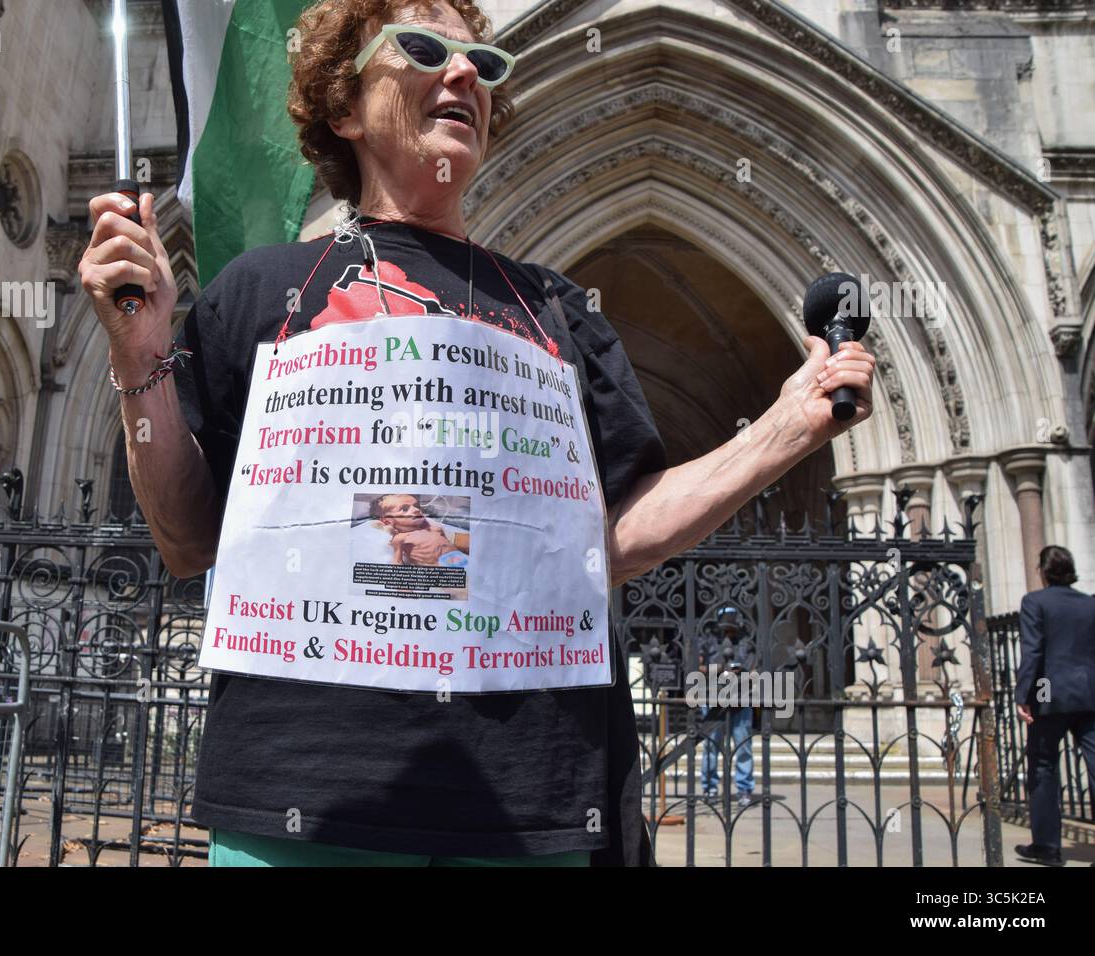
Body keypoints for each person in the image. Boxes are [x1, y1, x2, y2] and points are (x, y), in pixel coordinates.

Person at [77, 0, 876, 866]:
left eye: (482, 66)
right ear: (344, 108)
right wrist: (143, 354)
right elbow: (187, 538)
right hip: (307, 799)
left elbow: (610, 538)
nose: (465, 75)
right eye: (423, 50)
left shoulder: (555, 310)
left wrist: (789, 427)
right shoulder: (257, 290)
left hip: (528, 803)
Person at [1013, 545, 1095, 867]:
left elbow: (1034, 653)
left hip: (1049, 689)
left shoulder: (1035, 602)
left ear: (1043, 571)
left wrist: (1024, 697)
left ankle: (1047, 845)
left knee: (1044, 762)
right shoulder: (1089, 604)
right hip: (1089, 692)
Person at [697, 605, 757, 807]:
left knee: (742, 746)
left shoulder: (746, 641)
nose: (728, 631)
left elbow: (754, 669)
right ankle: (710, 787)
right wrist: (720, 669)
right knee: (711, 746)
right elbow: (698, 667)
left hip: (741, 699)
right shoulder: (708, 640)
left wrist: (741, 671)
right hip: (714, 698)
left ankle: (744, 789)